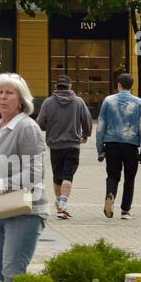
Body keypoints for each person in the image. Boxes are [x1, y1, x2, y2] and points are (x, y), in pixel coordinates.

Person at [0, 73, 48, 282]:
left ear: (22, 100)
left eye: (10, 93)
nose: (3, 97)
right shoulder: (0, 127)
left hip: (25, 210)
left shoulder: (26, 127)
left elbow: (35, 172)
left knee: (12, 273)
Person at [34, 75, 92, 219]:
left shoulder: (48, 103)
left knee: (57, 177)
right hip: (72, 145)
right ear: (70, 86)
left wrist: (52, 126)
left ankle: (60, 207)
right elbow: (87, 119)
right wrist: (86, 134)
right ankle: (63, 205)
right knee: (68, 175)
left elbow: (40, 123)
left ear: (56, 87)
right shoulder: (78, 102)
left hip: (55, 146)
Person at [95, 73, 141, 220]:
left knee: (112, 175)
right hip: (131, 145)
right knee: (130, 177)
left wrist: (100, 148)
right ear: (132, 86)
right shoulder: (139, 103)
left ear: (118, 85)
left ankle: (110, 194)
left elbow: (101, 125)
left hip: (112, 144)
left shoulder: (108, 101)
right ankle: (125, 210)